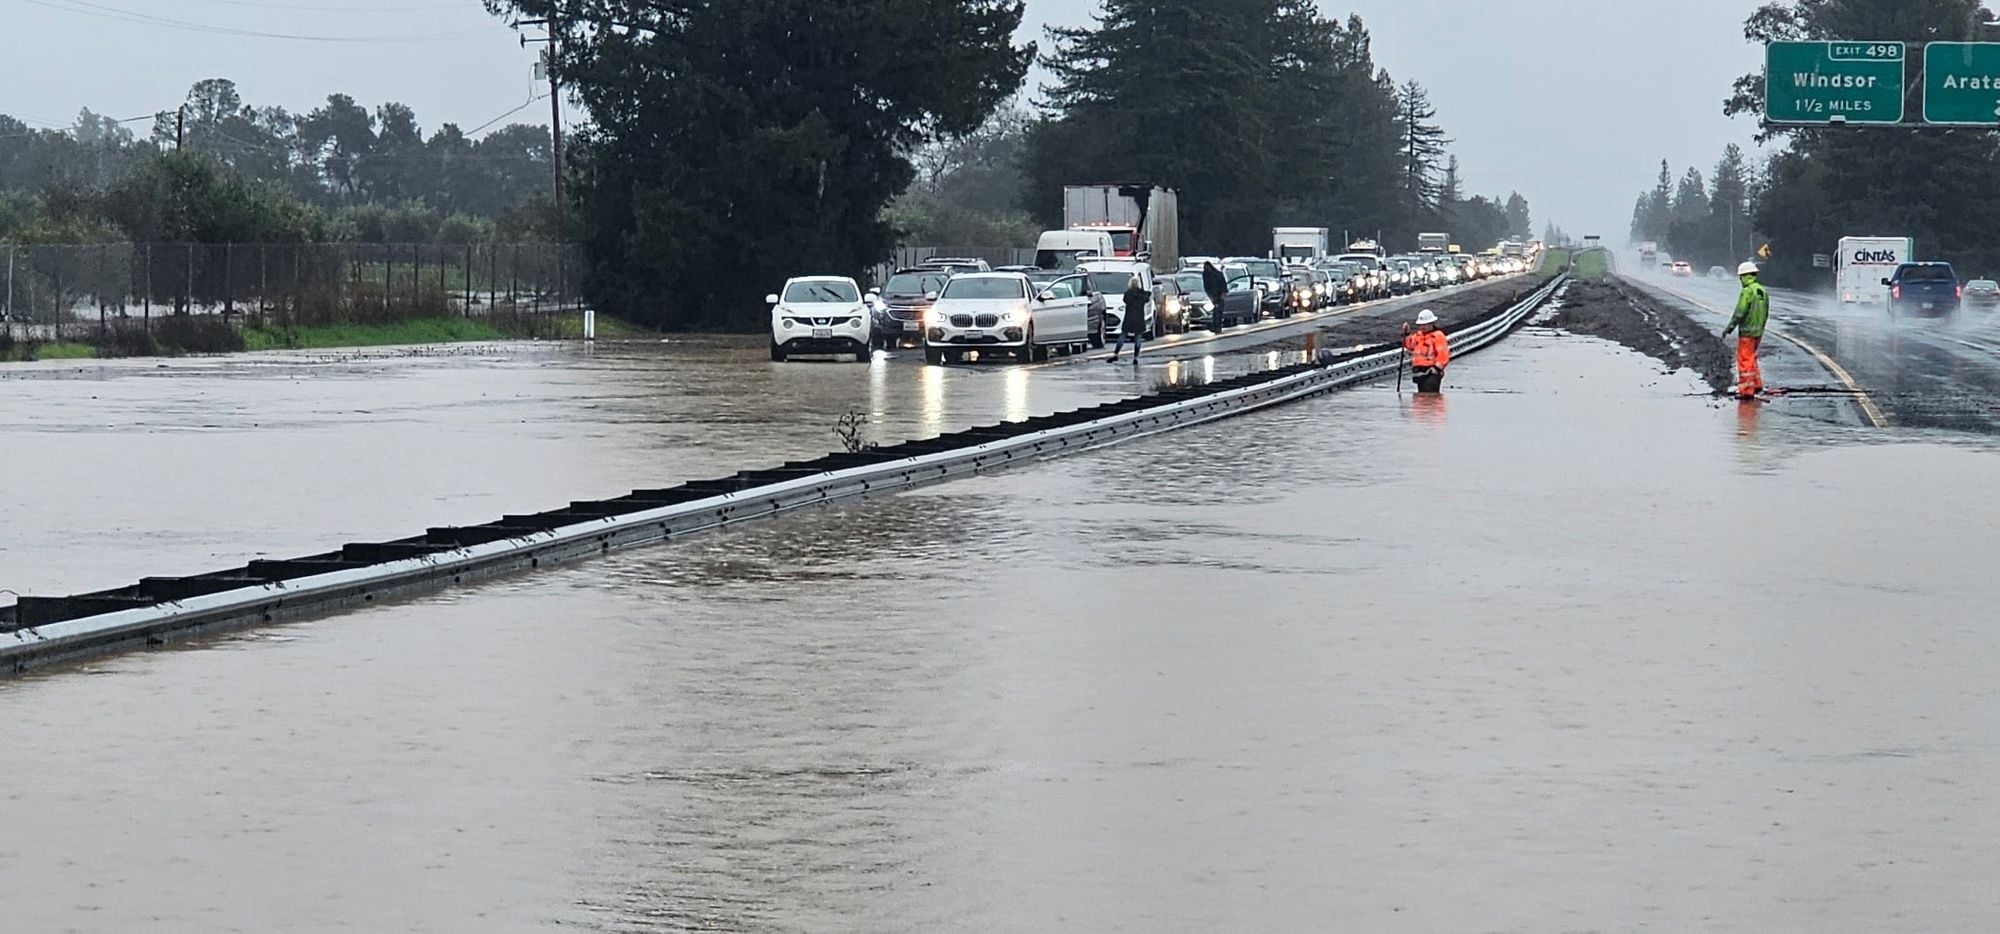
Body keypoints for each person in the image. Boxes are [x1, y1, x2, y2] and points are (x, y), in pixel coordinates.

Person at [1722, 261, 1769, 400]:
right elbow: (1766, 312)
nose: (1740, 280)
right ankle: (1757, 384)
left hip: (1747, 332)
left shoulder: (1747, 291)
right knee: (1752, 358)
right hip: (1758, 332)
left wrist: (1729, 328)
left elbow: (1739, 312)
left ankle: (1747, 390)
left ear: (1745, 276)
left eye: (1741, 277)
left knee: (1745, 360)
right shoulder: (1762, 290)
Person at [1400, 309, 1450, 393]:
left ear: (1431, 323)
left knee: (1430, 396)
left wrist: (1436, 369)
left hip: (1431, 372)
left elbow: (1443, 356)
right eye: (1420, 325)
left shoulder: (1437, 336)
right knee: (1422, 397)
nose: (1422, 327)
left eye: (1424, 324)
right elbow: (1410, 346)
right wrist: (1407, 333)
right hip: (1419, 372)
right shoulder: (1419, 335)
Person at [1109, 274, 1149, 364]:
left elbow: (1125, 300)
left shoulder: (1127, 293)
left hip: (1129, 318)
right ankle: (1136, 357)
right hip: (1139, 318)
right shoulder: (1142, 294)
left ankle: (1116, 354)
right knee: (1138, 338)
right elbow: (1147, 299)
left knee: (1123, 335)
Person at [1201, 261, 1228, 329]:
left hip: (1219, 295)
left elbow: (1223, 284)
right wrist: (1211, 296)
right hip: (1212, 296)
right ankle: (1216, 326)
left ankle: (1218, 326)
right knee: (1215, 312)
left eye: (1207, 267)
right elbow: (1207, 287)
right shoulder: (1206, 275)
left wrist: (1223, 293)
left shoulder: (1218, 274)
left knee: (1219, 312)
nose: (1207, 268)